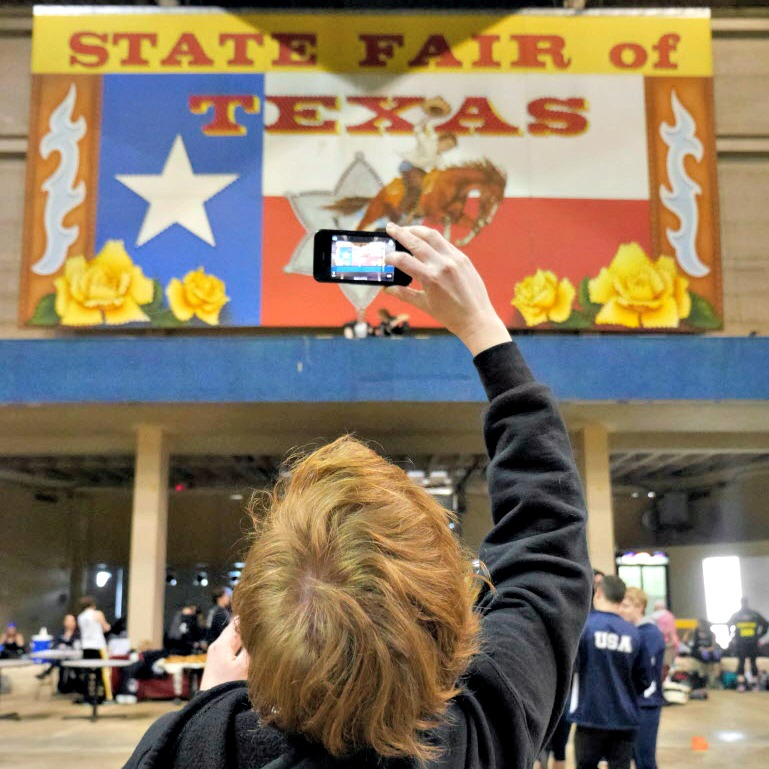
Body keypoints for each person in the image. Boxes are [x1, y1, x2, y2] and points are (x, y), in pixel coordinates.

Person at [123, 221, 592, 769]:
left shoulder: (187, 748)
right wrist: (482, 326)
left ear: (250, 636)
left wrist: (209, 709)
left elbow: (547, 549)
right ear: (451, 629)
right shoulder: (479, 735)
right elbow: (547, 544)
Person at [568, 575, 652, 769]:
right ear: (622, 599)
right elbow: (645, 679)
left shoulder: (585, 628)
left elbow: (571, 669)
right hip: (624, 718)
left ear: (598, 593)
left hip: (589, 716)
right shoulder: (634, 634)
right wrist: (626, 695)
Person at [620, 587, 666, 769]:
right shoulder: (632, 632)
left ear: (639, 607)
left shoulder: (650, 633)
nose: (621, 610)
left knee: (645, 760)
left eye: (626, 606)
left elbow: (640, 668)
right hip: (632, 703)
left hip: (646, 704)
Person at [398, 98, 458, 221]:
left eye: (449, 148)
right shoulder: (428, 142)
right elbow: (418, 130)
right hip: (408, 165)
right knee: (417, 185)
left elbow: (443, 170)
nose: (446, 148)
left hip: (418, 170)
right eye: (446, 145)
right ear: (441, 140)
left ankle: (416, 211)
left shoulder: (439, 158)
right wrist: (426, 119)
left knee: (430, 186)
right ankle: (402, 211)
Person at [727, 596, 769, 691]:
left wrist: (732, 635)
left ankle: (744, 684)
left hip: (743, 643)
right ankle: (751, 684)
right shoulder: (754, 614)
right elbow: (766, 624)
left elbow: (728, 625)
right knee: (750, 662)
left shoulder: (737, 615)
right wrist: (759, 635)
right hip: (749, 642)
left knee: (744, 663)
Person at [77, 595, 112, 701]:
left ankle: (86, 696)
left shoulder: (80, 617)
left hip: (86, 647)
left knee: (87, 672)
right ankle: (106, 696)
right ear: (93, 605)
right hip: (98, 646)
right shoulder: (97, 614)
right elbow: (106, 627)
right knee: (103, 671)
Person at [36, 613, 80, 691]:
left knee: (59, 661)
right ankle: (61, 686)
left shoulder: (78, 633)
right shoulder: (61, 632)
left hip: (73, 657)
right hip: (61, 656)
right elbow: (55, 643)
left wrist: (65, 644)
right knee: (60, 661)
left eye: (71, 620)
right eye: (67, 620)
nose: (69, 622)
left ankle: (47, 672)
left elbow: (75, 644)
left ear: (75, 622)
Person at [690, 618, 721, 687]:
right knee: (704, 656)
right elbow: (690, 643)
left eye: (699, 624)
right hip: (698, 652)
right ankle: (703, 678)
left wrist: (707, 649)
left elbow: (714, 646)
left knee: (716, 655)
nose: (698, 626)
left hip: (709, 650)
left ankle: (714, 679)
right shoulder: (695, 633)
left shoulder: (711, 634)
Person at [650, 600, 679, 676]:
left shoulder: (666, 617)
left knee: (664, 668)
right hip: (663, 645)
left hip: (667, 646)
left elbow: (670, 633)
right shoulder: (666, 616)